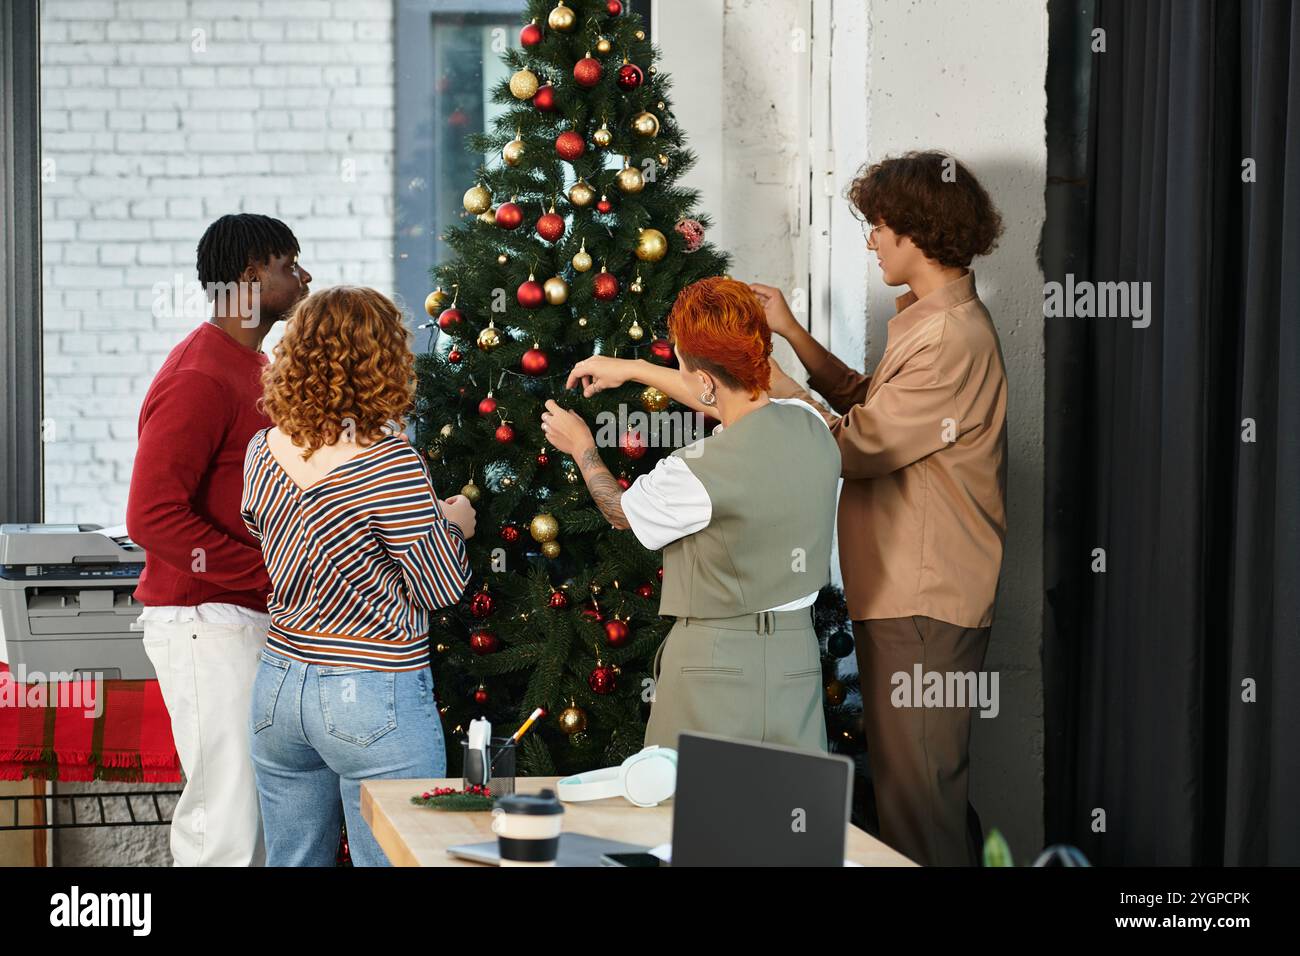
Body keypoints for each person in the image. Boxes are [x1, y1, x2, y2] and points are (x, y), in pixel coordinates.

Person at [751, 150, 1008, 866]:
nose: (870, 241)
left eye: (879, 227)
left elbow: (859, 447)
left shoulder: (951, 338)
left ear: (915, 231)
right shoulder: (933, 324)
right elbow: (873, 403)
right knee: (919, 798)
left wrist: (775, 389)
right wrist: (794, 335)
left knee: (919, 814)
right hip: (904, 594)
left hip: (922, 600)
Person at [542, 276, 841, 753]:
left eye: (681, 361)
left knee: (688, 817)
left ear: (703, 379)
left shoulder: (692, 474)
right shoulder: (812, 424)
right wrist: (636, 368)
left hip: (714, 667)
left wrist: (582, 447)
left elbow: (621, 513)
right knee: (786, 816)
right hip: (797, 661)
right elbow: (732, 402)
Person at [240, 285, 475, 867]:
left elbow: (267, 532)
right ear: (383, 362)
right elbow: (440, 585)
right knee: (398, 858)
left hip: (278, 689)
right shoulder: (388, 461)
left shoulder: (261, 450)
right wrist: (456, 525)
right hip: (371, 689)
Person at [126, 213, 311, 866]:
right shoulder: (199, 375)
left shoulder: (251, 365)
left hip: (243, 615)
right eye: (289, 264)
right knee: (226, 825)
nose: (304, 276)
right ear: (250, 273)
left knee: (256, 815)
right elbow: (151, 516)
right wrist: (269, 571)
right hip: (207, 618)